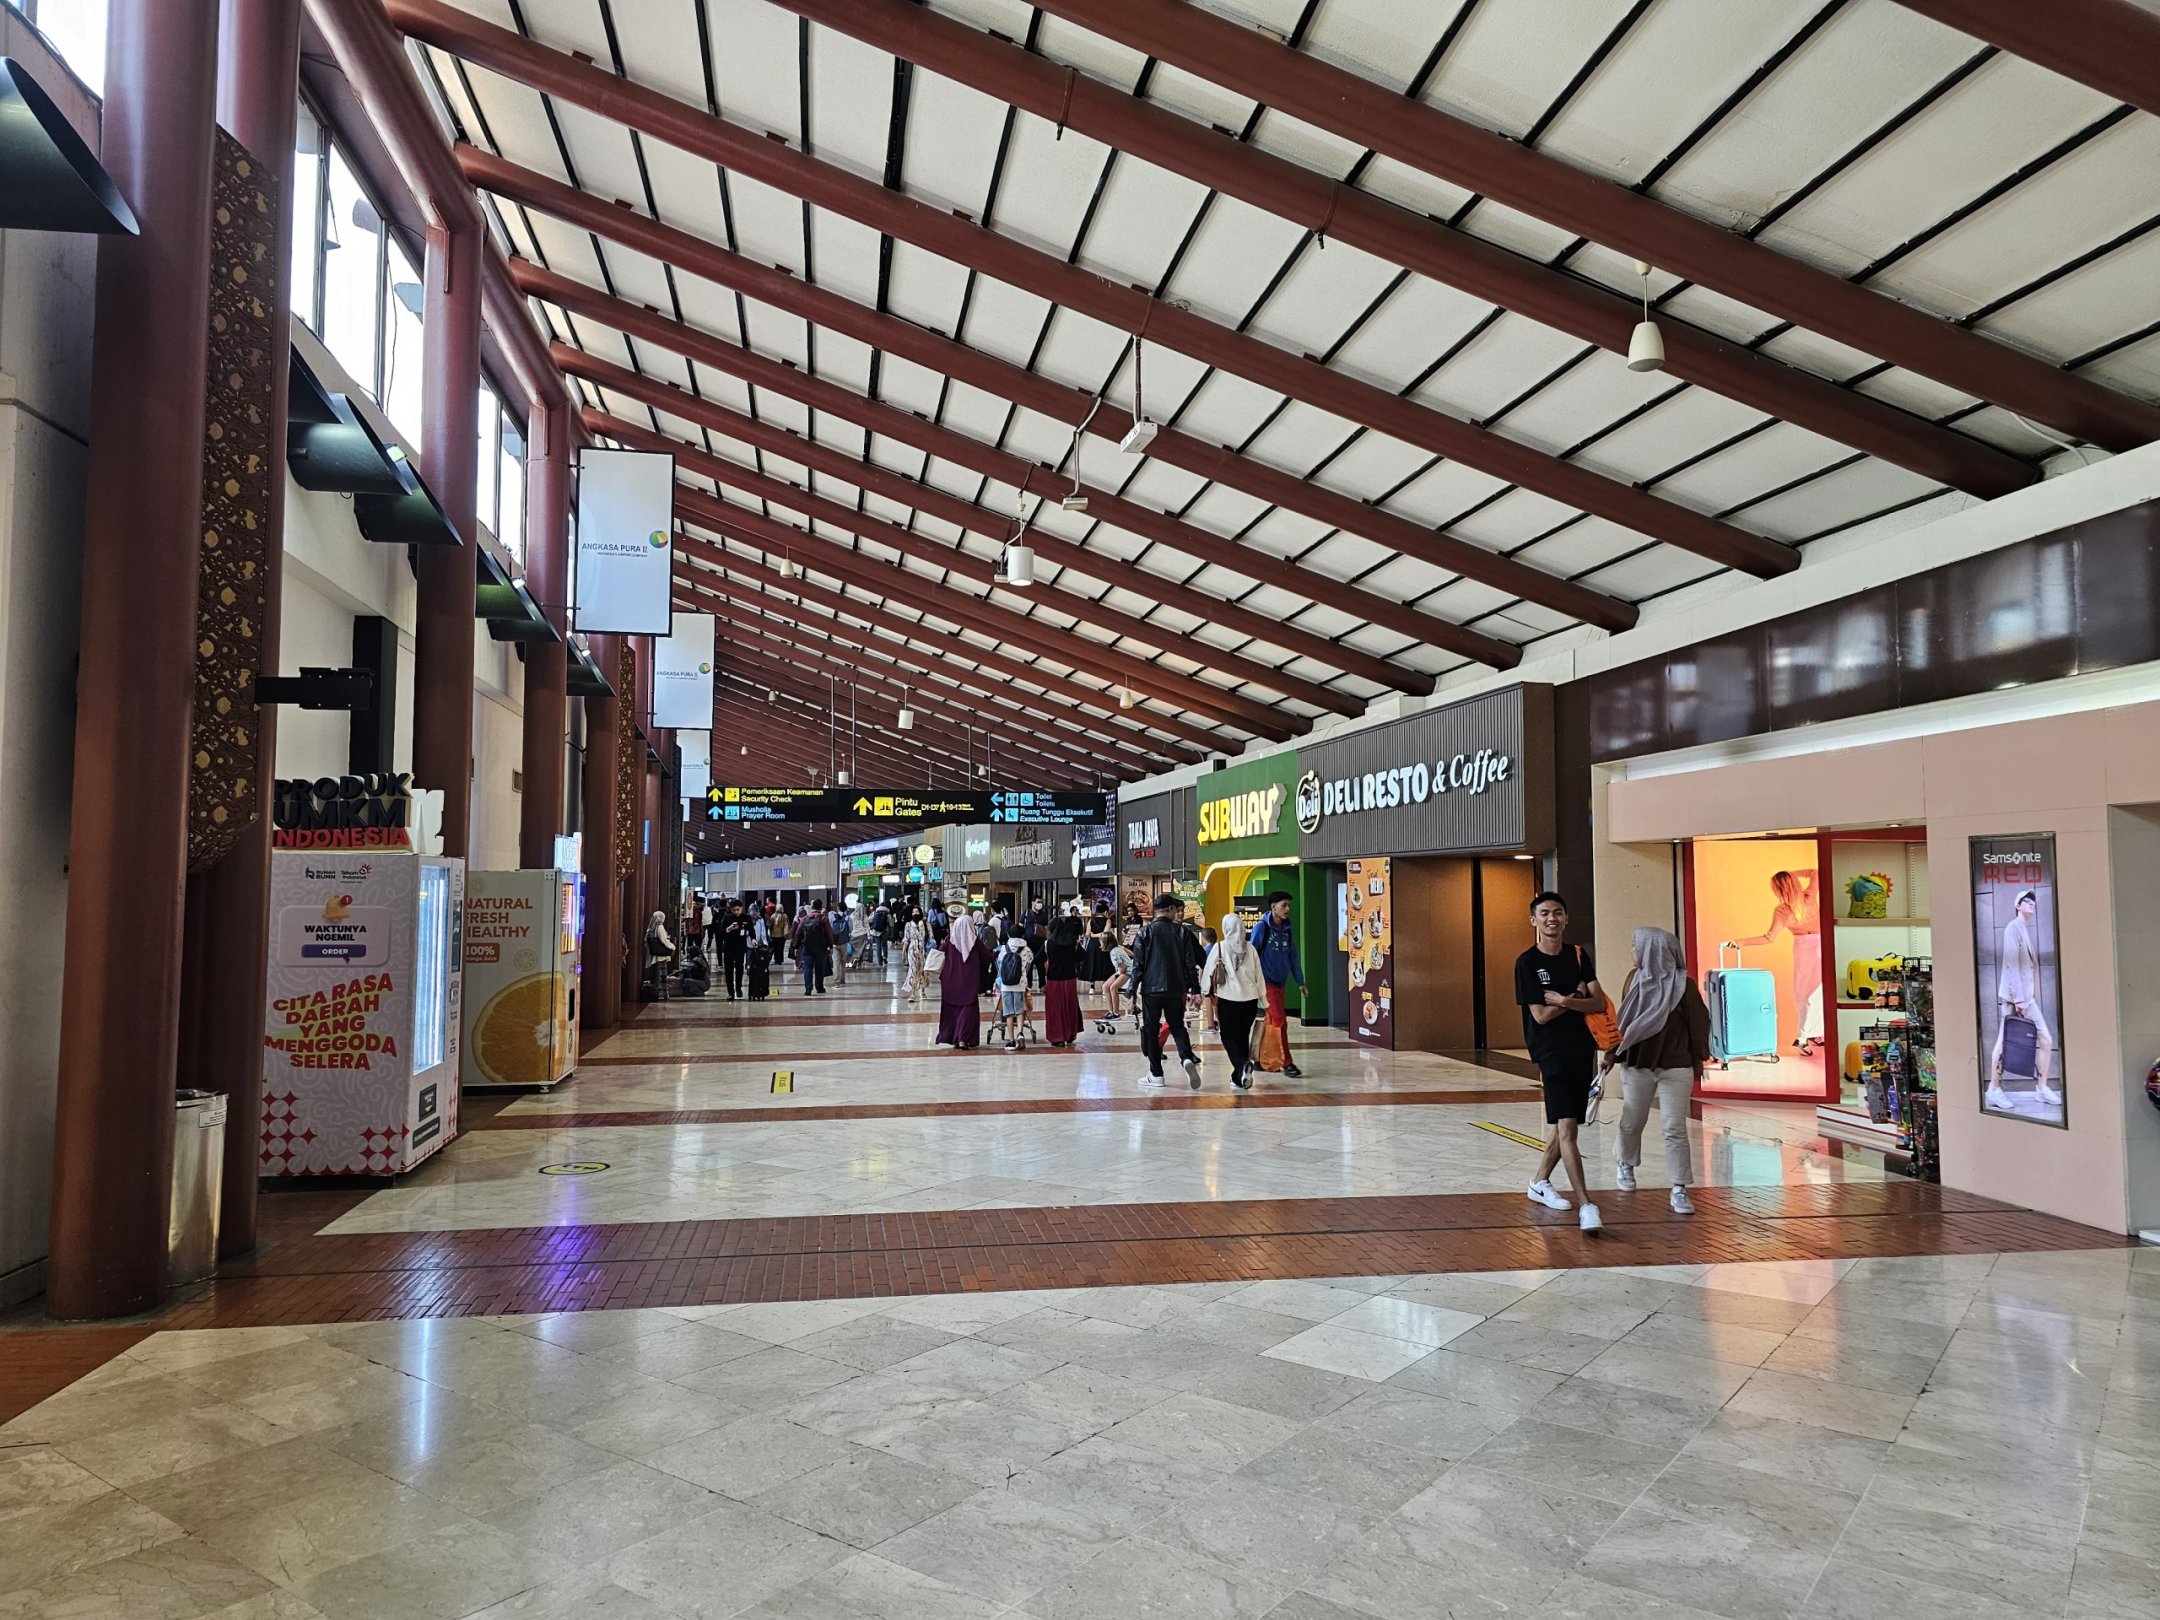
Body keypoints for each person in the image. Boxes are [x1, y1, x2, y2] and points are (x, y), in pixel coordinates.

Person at [1516, 891, 1604, 1232]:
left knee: (1562, 1123)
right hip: (1550, 1052)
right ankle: (1587, 1205)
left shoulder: (1578, 955)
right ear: (1533, 920)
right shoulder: (1527, 963)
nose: (1551, 918)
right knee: (1567, 1128)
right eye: (1544, 913)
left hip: (1582, 1048)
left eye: (1557, 912)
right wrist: (1577, 997)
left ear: (1566, 919)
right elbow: (1540, 1015)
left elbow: (1597, 1003)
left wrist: (1566, 1000)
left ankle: (1539, 1182)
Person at [1607, 927, 1710, 1216]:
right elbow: (1625, 1022)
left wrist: (1699, 1059)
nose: (1633, 952)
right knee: (1632, 1121)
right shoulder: (1634, 980)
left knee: (1674, 1127)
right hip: (1638, 1063)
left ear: (1653, 950)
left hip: (1676, 1066)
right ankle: (1625, 1163)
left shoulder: (1684, 985)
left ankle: (1679, 1187)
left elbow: (1699, 1024)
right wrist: (1611, 1054)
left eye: (1636, 946)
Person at [1732, 869, 1823, 1057]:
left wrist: (1741, 942)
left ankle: (1805, 1036)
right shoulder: (1809, 897)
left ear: (1778, 889)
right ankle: (1810, 1033)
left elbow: (1769, 937)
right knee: (1817, 992)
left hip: (1803, 948)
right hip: (1821, 945)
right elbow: (1815, 873)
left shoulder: (1782, 911)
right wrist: (1791, 874)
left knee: (1804, 993)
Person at [1989, 889, 2059, 1108]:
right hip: (2016, 998)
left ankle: (2041, 1088)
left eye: (2033, 902)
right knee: (2003, 1043)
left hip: (2026, 998)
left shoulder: (2022, 929)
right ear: (2017, 905)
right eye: (2026, 901)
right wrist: (2019, 999)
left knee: (2045, 1039)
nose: (2031, 904)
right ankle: (1994, 1088)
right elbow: (2011, 964)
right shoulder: (2013, 928)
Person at [1134, 893, 1202, 1088]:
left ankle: (1156, 1074)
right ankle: (1186, 1057)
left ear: (1155, 910)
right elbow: (1190, 963)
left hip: (1151, 990)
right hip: (1176, 988)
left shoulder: (1144, 932)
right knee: (1178, 1026)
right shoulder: (1182, 932)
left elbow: (1138, 965)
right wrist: (1195, 988)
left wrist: (1131, 991)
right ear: (1171, 909)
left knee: (1151, 1030)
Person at [1202, 911, 1266, 1091]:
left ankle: (1242, 1063)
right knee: (1242, 1036)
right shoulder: (1251, 949)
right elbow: (1259, 976)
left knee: (1228, 1036)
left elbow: (1208, 972)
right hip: (1250, 1001)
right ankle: (1239, 1077)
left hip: (1228, 1000)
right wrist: (1265, 1000)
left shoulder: (1220, 947)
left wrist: (1204, 992)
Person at [1250, 891, 1306, 1078]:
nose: (1287, 909)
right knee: (1280, 1021)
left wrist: (1300, 981)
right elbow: (1252, 955)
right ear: (1273, 907)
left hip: (1281, 983)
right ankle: (1286, 1063)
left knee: (1272, 1021)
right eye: (1284, 905)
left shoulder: (1287, 929)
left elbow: (1293, 956)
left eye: (1288, 905)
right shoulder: (1261, 928)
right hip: (1266, 983)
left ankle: (1260, 1059)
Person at [937, 911, 989, 1048]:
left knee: (952, 1010)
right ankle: (963, 1039)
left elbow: (940, 953)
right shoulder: (975, 942)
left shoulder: (949, 939)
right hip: (969, 982)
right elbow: (987, 958)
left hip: (949, 981)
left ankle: (953, 1037)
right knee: (968, 1009)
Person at [1043, 905, 1084, 1047]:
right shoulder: (1072, 941)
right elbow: (1082, 956)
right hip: (1070, 979)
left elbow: (1037, 959)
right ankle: (1071, 1033)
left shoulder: (1049, 943)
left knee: (1056, 1009)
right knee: (1070, 1006)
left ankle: (1058, 1037)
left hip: (1054, 980)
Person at [793, 902, 833, 995]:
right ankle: (819, 987)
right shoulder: (823, 918)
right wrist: (830, 946)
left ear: (812, 907)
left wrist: (796, 945)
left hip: (807, 947)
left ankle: (808, 989)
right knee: (820, 967)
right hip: (821, 947)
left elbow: (798, 933)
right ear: (821, 908)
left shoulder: (805, 919)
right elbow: (829, 933)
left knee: (807, 968)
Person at [719, 900, 750, 999]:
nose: (736, 912)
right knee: (728, 970)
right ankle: (731, 992)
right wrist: (729, 928)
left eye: (738, 909)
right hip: (729, 947)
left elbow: (751, 930)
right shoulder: (727, 918)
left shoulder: (746, 918)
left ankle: (738, 988)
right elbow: (721, 932)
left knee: (739, 968)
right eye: (734, 910)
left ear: (741, 908)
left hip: (740, 947)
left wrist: (753, 939)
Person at [644, 910, 676, 1000]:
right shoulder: (660, 927)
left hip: (654, 955)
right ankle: (662, 993)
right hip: (661, 955)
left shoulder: (651, 928)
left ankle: (655, 992)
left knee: (656, 974)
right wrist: (672, 947)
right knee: (662, 975)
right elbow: (664, 940)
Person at [901, 906, 929, 1004]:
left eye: (917, 912)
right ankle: (912, 993)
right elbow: (906, 939)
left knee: (923, 970)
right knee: (913, 970)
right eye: (913, 912)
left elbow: (931, 937)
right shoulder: (908, 925)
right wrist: (903, 951)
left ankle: (923, 990)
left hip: (923, 950)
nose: (915, 914)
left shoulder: (925, 924)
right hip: (912, 950)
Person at [828, 902, 852, 984]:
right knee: (843, 961)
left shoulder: (831, 917)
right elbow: (851, 929)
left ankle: (836, 980)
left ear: (838, 908)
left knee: (835, 962)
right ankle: (842, 979)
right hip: (844, 942)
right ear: (845, 909)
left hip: (834, 942)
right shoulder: (848, 918)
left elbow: (829, 929)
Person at [870, 901, 892, 967]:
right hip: (884, 931)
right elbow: (891, 924)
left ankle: (880, 962)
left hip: (876, 931)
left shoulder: (875, 913)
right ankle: (885, 957)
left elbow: (869, 920)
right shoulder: (887, 913)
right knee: (884, 945)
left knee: (878, 946)